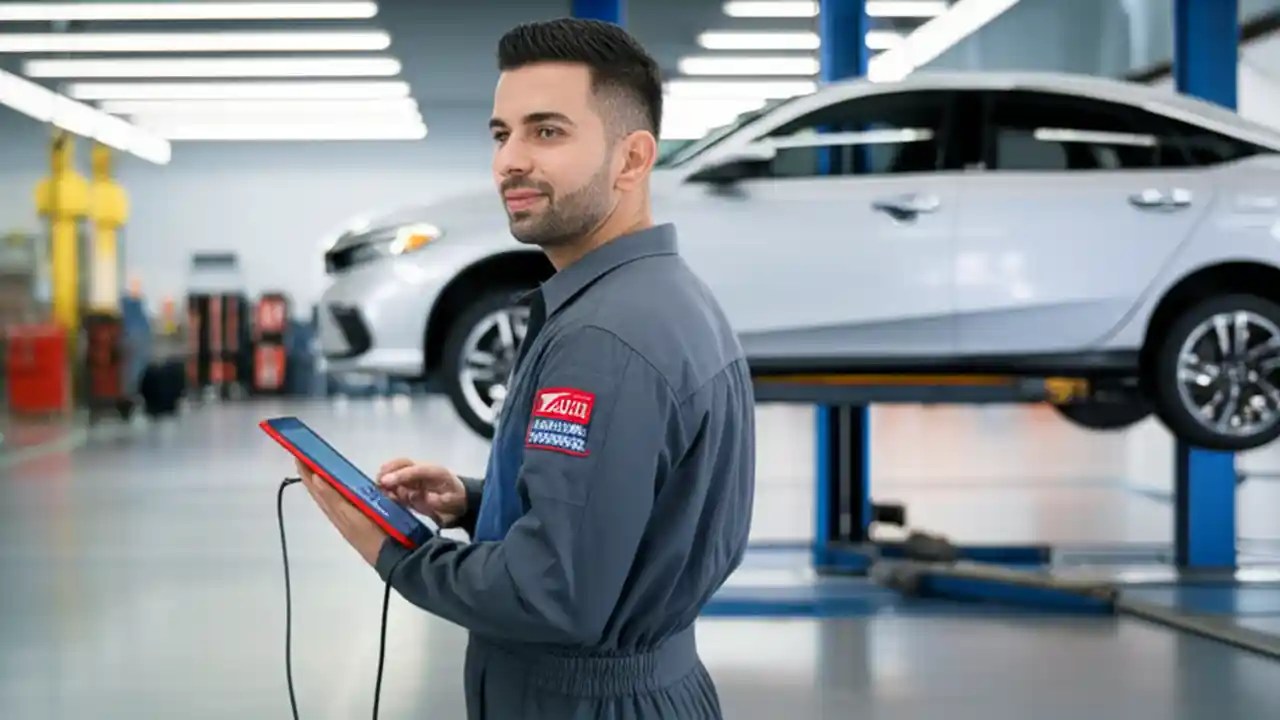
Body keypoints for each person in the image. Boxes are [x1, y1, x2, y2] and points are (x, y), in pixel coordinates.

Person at [295, 17, 756, 719]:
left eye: (547, 132)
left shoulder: (604, 338)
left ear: (632, 160)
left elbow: (553, 592)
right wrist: (479, 501)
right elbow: (628, 515)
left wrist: (394, 554)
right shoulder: (660, 295)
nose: (510, 159)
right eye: (500, 133)